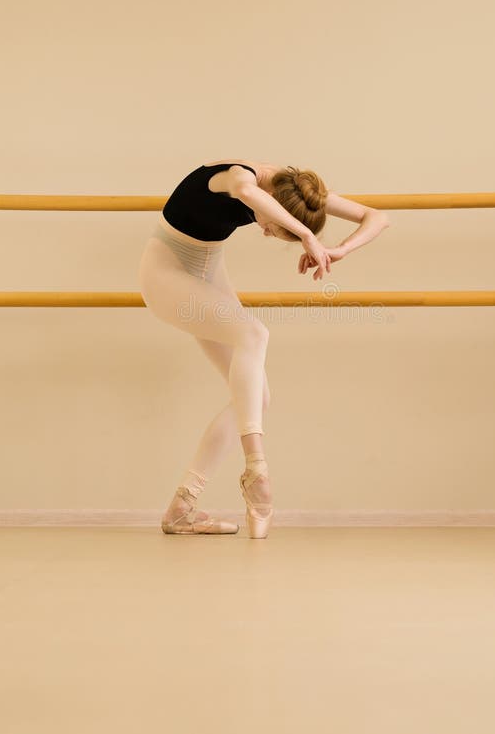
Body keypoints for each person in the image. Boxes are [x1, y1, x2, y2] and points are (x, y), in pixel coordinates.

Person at [138, 160, 390, 539]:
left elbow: (377, 217)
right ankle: (257, 469)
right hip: (166, 277)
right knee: (255, 335)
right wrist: (306, 235)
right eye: (275, 227)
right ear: (272, 200)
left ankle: (182, 507)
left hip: (208, 275)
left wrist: (340, 249)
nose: (269, 232)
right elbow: (244, 192)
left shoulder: (296, 189)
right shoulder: (238, 176)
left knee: (257, 398)